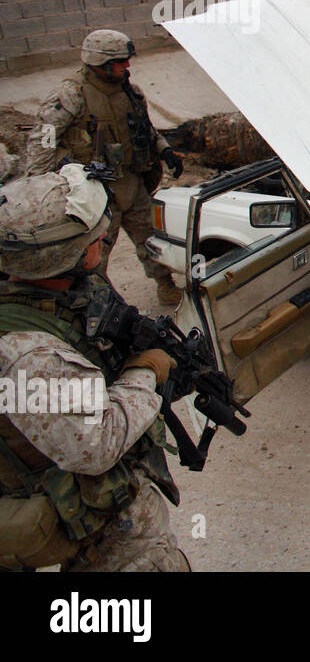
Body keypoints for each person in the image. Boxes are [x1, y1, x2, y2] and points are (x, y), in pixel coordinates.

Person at [0, 166, 188, 572]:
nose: (104, 239)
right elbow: (95, 445)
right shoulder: (28, 355)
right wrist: (145, 373)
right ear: (60, 257)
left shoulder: (50, 286)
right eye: (92, 238)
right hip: (72, 509)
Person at [24, 30, 184, 307]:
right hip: (95, 193)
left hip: (132, 184)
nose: (128, 66)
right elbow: (44, 138)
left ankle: (165, 285)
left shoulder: (130, 92)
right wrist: (40, 184)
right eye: (122, 61)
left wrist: (164, 150)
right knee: (94, 254)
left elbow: (145, 128)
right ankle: (100, 306)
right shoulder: (70, 96)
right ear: (101, 63)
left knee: (151, 241)